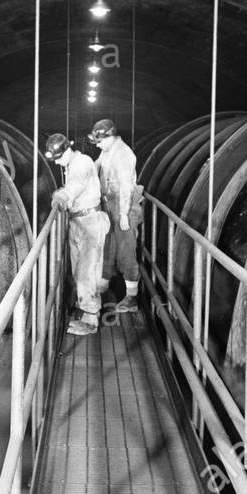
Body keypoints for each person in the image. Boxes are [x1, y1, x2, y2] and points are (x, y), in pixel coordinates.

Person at [44, 132, 110, 336]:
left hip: (89, 222)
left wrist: (61, 196)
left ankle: (90, 320)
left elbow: (74, 187)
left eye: (57, 158)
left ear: (66, 151)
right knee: (80, 271)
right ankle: (87, 310)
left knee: (85, 272)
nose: (56, 164)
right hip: (79, 221)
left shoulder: (81, 164)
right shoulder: (72, 164)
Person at [89, 118, 143, 312]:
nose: (98, 145)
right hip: (110, 204)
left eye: (100, 141)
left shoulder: (123, 154)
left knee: (125, 250)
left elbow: (127, 188)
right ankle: (102, 286)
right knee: (108, 246)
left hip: (123, 205)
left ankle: (131, 299)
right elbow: (97, 165)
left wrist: (124, 216)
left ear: (110, 136)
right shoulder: (108, 150)